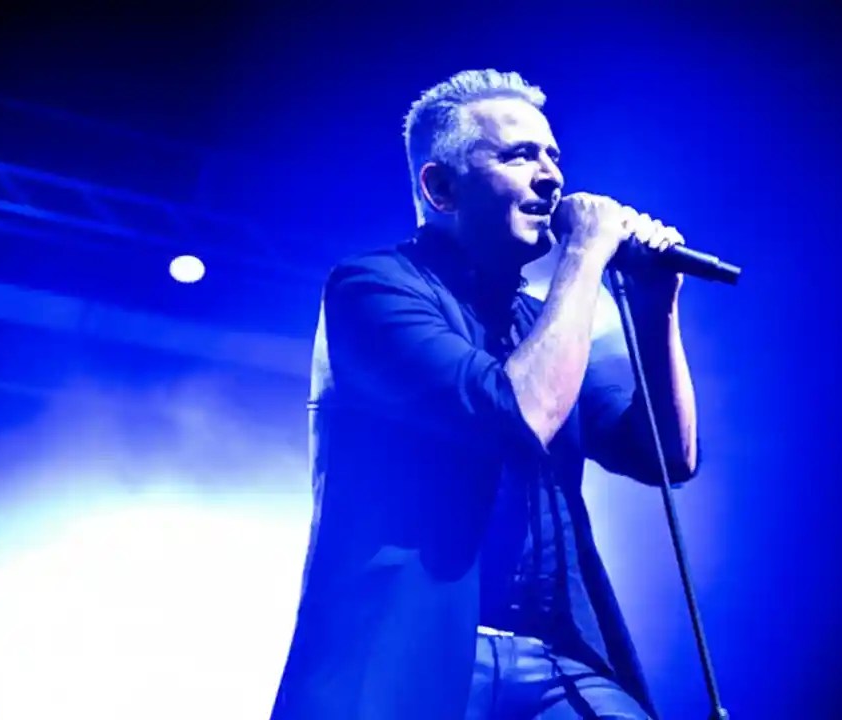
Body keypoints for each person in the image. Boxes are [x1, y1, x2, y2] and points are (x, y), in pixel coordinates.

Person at [270, 68, 701, 720]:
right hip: (413, 657)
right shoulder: (373, 288)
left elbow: (667, 458)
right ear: (441, 187)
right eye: (519, 155)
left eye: (554, 155)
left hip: (564, 660)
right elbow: (518, 414)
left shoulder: (541, 324)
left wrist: (655, 306)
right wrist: (585, 255)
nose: (552, 176)